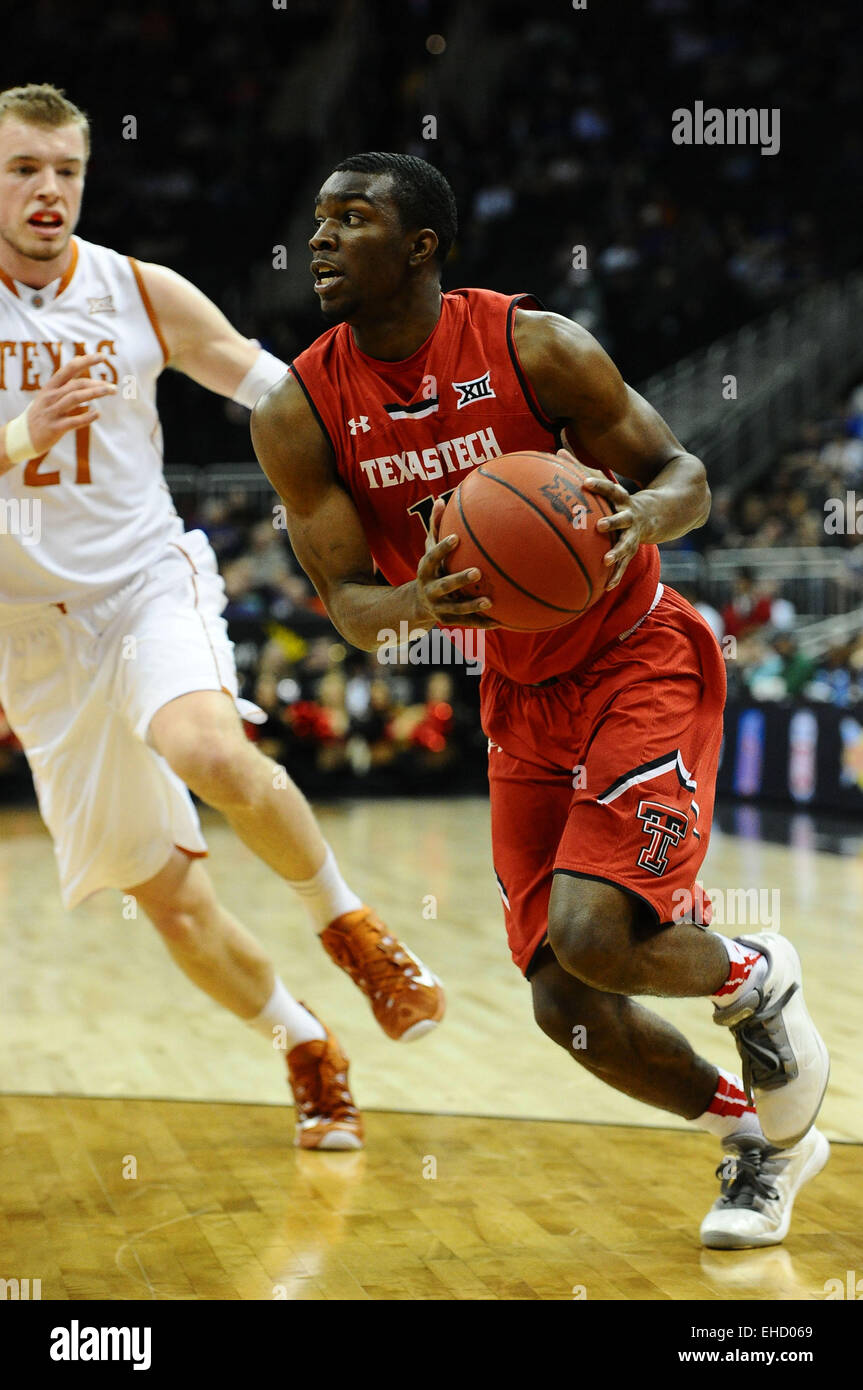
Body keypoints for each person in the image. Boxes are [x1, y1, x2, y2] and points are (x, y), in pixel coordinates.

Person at [252, 151, 830, 1245]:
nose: (319, 238)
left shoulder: (534, 346)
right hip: (518, 696)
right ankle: (762, 1137)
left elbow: (684, 475)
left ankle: (755, 974)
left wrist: (639, 520)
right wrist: (415, 597)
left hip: (636, 657)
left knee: (593, 930)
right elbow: (344, 603)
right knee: (565, 1004)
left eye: (352, 218)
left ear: (421, 247)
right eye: (316, 219)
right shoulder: (298, 411)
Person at [0, 91, 445, 1153]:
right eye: (23, 169)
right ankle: (304, 1043)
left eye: (65, 169)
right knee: (171, 901)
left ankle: (356, 930)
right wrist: (22, 435)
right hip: (30, 634)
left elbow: (278, 391)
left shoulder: (140, 292)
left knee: (204, 741)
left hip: (143, 582)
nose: (47, 190)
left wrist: (400, 444)